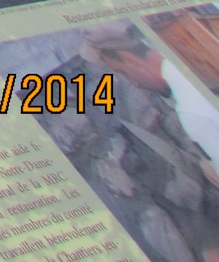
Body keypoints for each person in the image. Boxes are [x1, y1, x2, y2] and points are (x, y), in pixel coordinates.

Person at [42, 24, 219, 262]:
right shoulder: (193, 70)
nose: (132, 82)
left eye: (121, 72)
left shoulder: (190, 112)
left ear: (129, 59)